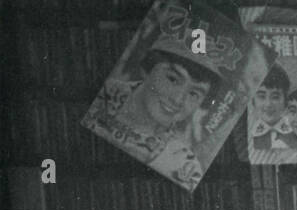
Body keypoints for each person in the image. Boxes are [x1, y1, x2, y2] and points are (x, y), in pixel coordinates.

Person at [83, 35, 222, 189]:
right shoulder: (100, 93)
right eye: (172, 79)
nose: (177, 100)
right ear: (147, 69)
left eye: (194, 94)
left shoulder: (184, 165)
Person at [251, 65, 297, 150]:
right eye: (262, 96)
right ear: (253, 100)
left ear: (285, 100)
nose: (268, 104)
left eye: (275, 97)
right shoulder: (249, 135)